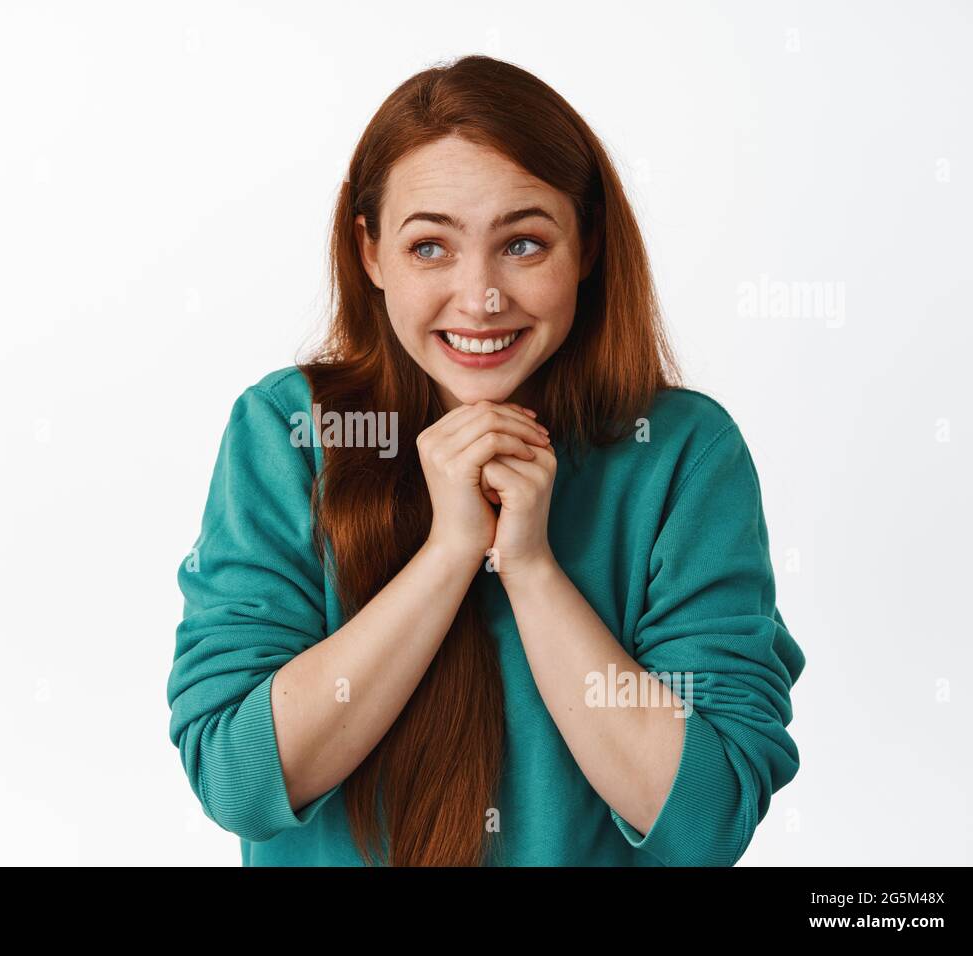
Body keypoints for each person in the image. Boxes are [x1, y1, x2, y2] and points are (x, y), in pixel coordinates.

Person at [167, 54, 805, 866]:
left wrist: (532, 567)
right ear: (370, 255)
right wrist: (449, 552)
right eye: (430, 247)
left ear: (588, 246)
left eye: (525, 244)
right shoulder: (291, 431)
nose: (480, 298)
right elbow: (238, 778)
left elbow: (704, 819)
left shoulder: (682, 453)